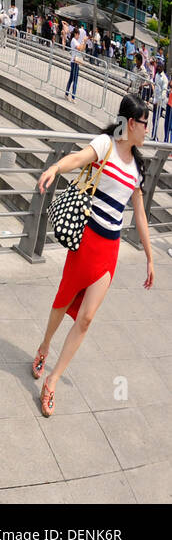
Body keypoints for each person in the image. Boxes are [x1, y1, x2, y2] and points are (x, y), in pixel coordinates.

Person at [32, 95, 156, 416]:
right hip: (86, 239)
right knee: (63, 301)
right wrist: (55, 167)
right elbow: (78, 157)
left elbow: (140, 214)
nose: (148, 129)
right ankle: (45, 345)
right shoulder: (105, 145)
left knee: (86, 319)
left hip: (109, 249)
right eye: (145, 123)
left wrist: (149, 257)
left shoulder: (138, 167)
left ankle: (53, 382)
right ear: (130, 124)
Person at [66, 25, 84, 101]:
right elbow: (79, 48)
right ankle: (73, 97)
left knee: (71, 79)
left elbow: (82, 49)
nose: (79, 36)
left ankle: (67, 94)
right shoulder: (73, 40)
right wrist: (83, 41)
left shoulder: (76, 41)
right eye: (78, 34)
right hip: (74, 62)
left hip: (75, 61)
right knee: (75, 80)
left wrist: (84, 42)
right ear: (76, 34)